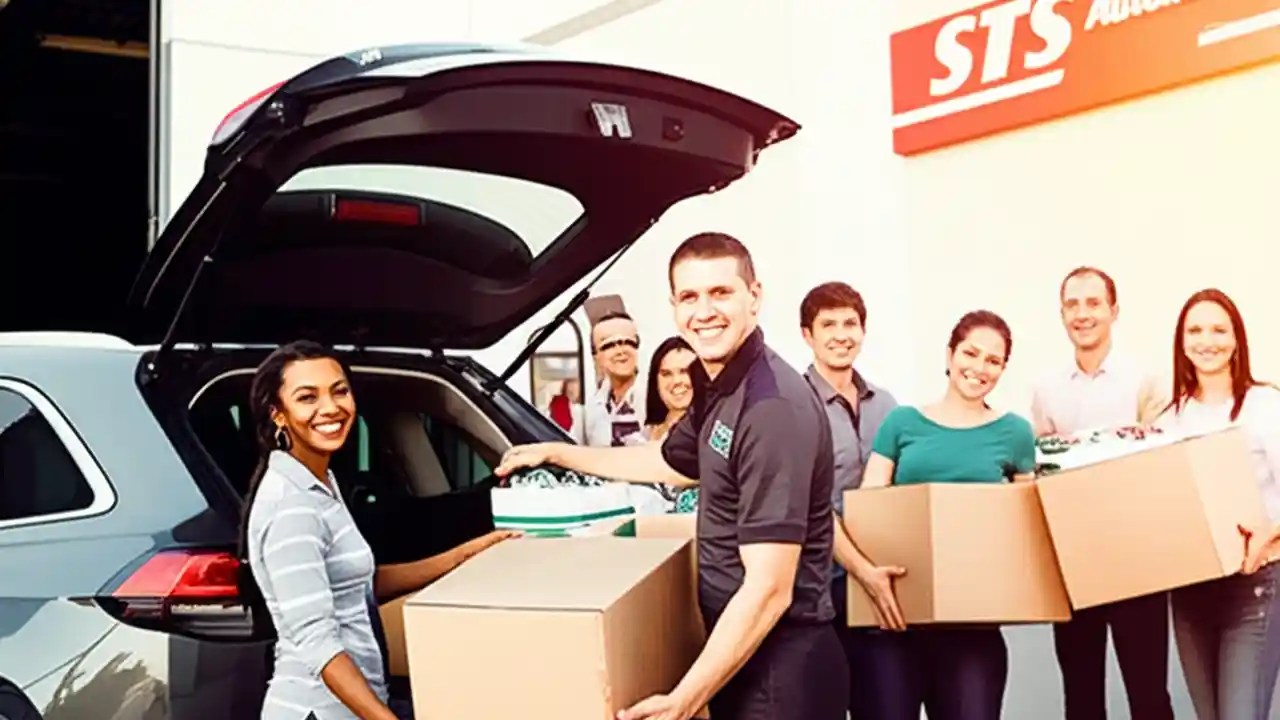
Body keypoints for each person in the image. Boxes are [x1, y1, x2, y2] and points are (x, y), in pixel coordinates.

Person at [496, 232, 848, 720]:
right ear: (674, 306)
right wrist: (559, 453)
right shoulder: (720, 385)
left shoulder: (771, 409)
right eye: (690, 297)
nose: (704, 311)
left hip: (781, 672)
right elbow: (667, 461)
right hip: (743, 660)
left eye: (721, 293)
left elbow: (770, 589)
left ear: (755, 296)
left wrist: (685, 699)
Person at [240, 340, 518, 720]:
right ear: (278, 414)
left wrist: (466, 554)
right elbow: (317, 640)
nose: (330, 407)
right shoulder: (291, 507)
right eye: (307, 397)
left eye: (339, 391)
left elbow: (358, 586)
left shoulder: (320, 482)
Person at [856, 310, 1035, 720]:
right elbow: (871, 507)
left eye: (994, 360)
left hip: (972, 628)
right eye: (971, 353)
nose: (979, 368)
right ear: (950, 354)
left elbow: (1024, 528)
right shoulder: (902, 423)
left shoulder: (1016, 433)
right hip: (896, 619)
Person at [1030, 266, 1175, 720]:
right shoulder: (1046, 389)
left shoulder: (1145, 379)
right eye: (1072, 304)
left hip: (1138, 562)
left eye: (1093, 303)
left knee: (1149, 695)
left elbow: (1163, 461)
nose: (1082, 313)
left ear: (1114, 310)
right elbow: (1038, 473)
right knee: (1082, 697)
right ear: (1061, 314)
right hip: (1074, 565)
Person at [1152, 289, 1280, 720]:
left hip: (1255, 584)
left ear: (1237, 340)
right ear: (1182, 342)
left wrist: (1267, 533)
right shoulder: (1169, 421)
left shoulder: (1267, 406)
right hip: (1191, 593)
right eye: (1195, 330)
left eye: (1219, 329)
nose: (1207, 340)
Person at [798, 281, 903, 719]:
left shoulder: (888, 407)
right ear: (807, 334)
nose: (841, 334)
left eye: (850, 323)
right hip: (814, 591)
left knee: (886, 706)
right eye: (829, 325)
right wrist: (862, 571)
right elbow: (810, 505)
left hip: (880, 583)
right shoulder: (793, 404)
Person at [626, 336, 700, 515]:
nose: (676, 381)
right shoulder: (639, 439)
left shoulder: (713, 432)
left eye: (685, 371)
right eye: (666, 373)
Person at [584, 311, 647, 447]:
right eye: (609, 345)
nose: (620, 351)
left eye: (628, 342)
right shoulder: (591, 410)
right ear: (596, 357)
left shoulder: (657, 397)